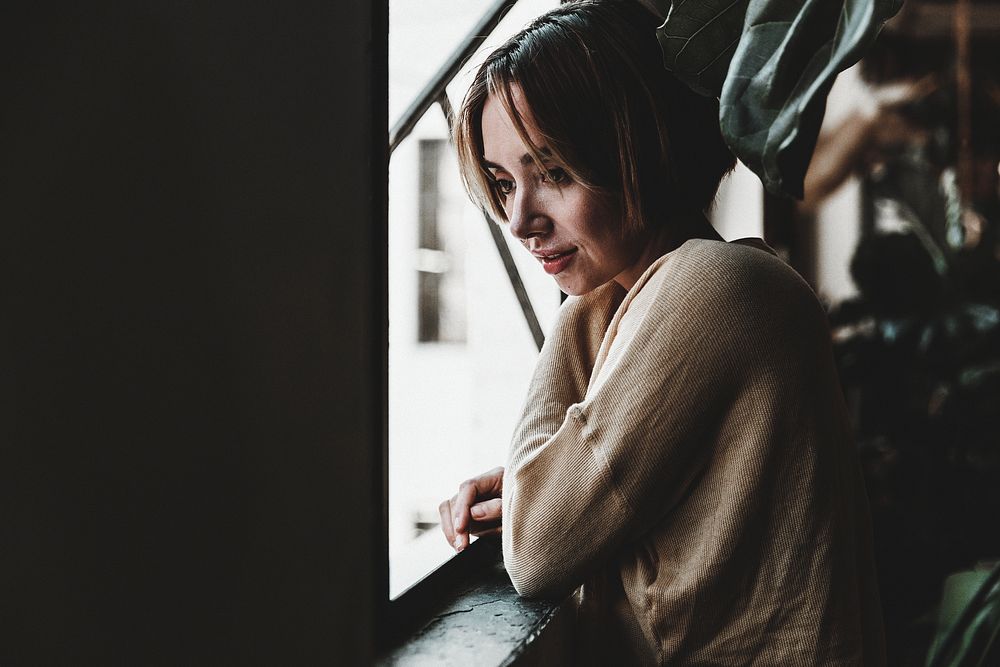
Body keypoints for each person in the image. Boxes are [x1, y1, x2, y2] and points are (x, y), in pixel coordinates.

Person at [438, 1, 885, 664]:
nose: (520, 220)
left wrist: (578, 306)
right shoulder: (691, 288)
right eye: (504, 184)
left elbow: (536, 548)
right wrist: (536, 478)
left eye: (554, 172)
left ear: (642, 149)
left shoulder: (714, 284)